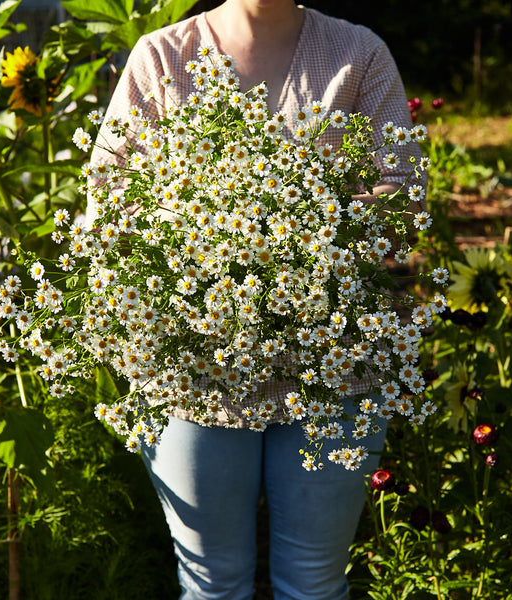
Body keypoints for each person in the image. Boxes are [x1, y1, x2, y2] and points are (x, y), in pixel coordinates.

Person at [88, 1, 424, 598]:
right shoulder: (163, 57)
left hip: (336, 364)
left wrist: (286, 226)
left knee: (314, 584)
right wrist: (218, 234)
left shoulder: (358, 55)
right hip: (195, 370)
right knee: (212, 585)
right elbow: (107, 207)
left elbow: (404, 196)